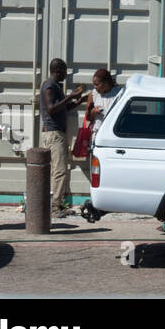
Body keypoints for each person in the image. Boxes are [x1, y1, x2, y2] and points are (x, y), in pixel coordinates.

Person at [40, 58, 85, 218]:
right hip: (53, 133)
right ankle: (54, 207)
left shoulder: (56, 86)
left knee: (58, 170)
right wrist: (70, 96)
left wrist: (79, 100)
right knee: (59, 171)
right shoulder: (49, 86)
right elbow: (51, 109)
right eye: (65, 72)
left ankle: (57, 204)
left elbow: (64, 108)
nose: (66, 75)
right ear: (57, 71)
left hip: (57, 133)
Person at [85, 68, 123, 148]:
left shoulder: (119, 93)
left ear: (106, 83)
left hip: (113, 135)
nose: (95, 87)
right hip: (97, 135)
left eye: (97, 84)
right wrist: (93, 112)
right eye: (94, 84)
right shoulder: (93, 94)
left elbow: (124, 116)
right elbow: (88, 117)